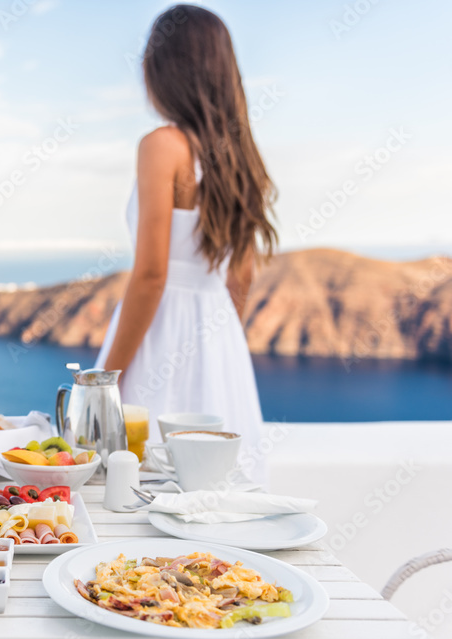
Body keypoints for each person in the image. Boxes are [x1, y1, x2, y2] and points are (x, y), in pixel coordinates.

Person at [95, 4, 277, 487]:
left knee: (135, 484)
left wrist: (102, 385)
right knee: (215, 493)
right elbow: (241, 275)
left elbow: (152, 275)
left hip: (161, 335)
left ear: (163, 69)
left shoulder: (162, 145)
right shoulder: (239, 155)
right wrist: (219, 348)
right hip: (219, 339)